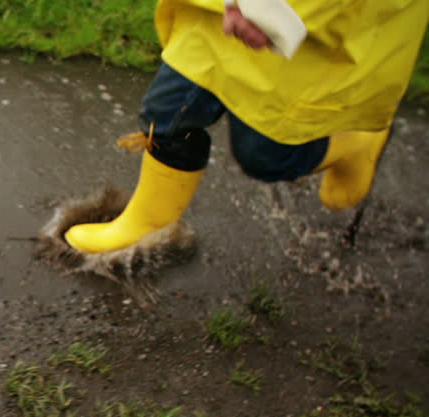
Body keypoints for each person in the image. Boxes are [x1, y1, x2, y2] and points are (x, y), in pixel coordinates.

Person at [64, 0, 428, 254]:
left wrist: (277, 9)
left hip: (315, 25)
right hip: (221, 10)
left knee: (265, 156)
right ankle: (148, 226)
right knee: (167, 114)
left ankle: (355, 144)